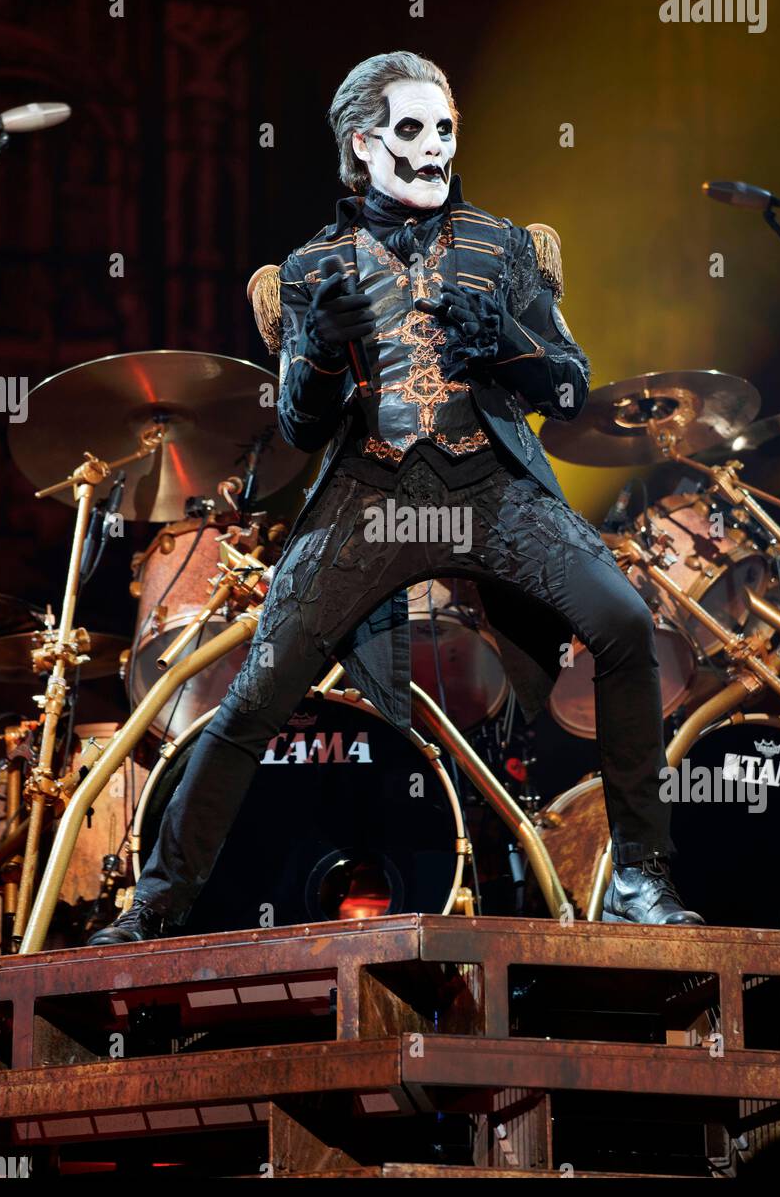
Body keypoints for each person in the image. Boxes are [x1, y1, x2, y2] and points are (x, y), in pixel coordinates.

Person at [90, 50, 703, 943]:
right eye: (413, 129)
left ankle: (640, 880)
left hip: (488, 488)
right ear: (365, 145)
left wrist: (509, 347)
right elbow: (301, 427)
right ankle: (154, 904)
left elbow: (568, 391)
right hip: (371, 497)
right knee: (256, 691)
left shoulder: (507, 248)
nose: (435, 148)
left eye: (447, 128)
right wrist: (322, 351)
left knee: (619, 621)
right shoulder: (312, 268)